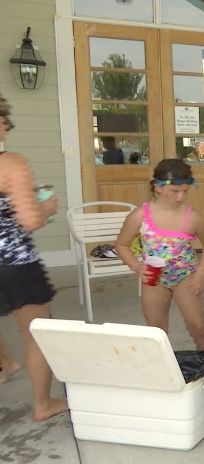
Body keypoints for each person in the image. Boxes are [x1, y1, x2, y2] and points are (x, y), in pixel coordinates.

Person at [0, 93, 68, 421]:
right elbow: (29, 221)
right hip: (14, 263)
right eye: (4, 120)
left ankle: (5, 365)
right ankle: (43, 404)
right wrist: (46, 208)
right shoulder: (11, 163)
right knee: (37, 333)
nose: (6, 127)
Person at [115, 159, 204, 353]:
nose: (180, 197)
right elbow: (122, 244)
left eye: (185, 191)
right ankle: (161, 367)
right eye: (174, 191)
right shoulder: (139, 215)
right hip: (154, 279)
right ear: (158, 187)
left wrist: (201, 273)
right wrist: (136, 267)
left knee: (197, 326)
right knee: (156, 330)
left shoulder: (192, 217)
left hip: (185, 276)